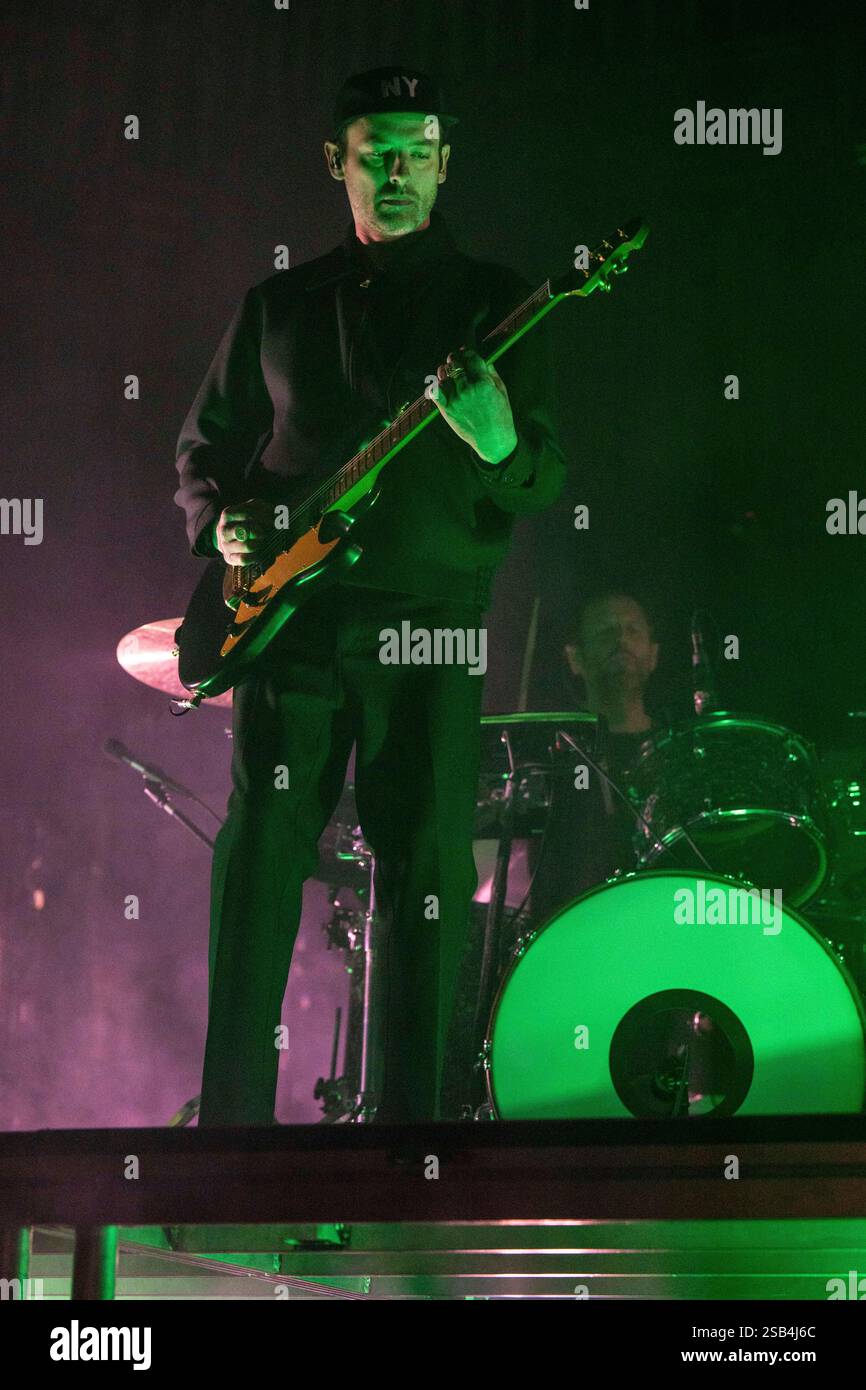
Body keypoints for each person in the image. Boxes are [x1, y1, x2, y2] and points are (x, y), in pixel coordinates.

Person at [173, 67, 568, 1125]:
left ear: (443, 162)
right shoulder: (279, 302)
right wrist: (226, 521)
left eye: (416, 149)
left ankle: (408, 1145)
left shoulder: (497, 302)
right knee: (260, 853)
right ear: (337, 162)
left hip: (430, 623)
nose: (395, 170)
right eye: (374, 149)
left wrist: (494, 442)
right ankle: (232, 1134)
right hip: (293, 616)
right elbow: (205, 449)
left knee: (426, 865)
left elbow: (539, 478)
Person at [530, 590, 660, 921]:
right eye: (606, 631)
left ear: (653, 655)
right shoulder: (553, 754)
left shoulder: (677, 749)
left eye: (633, 630)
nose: (621, 639)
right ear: (575, 659)